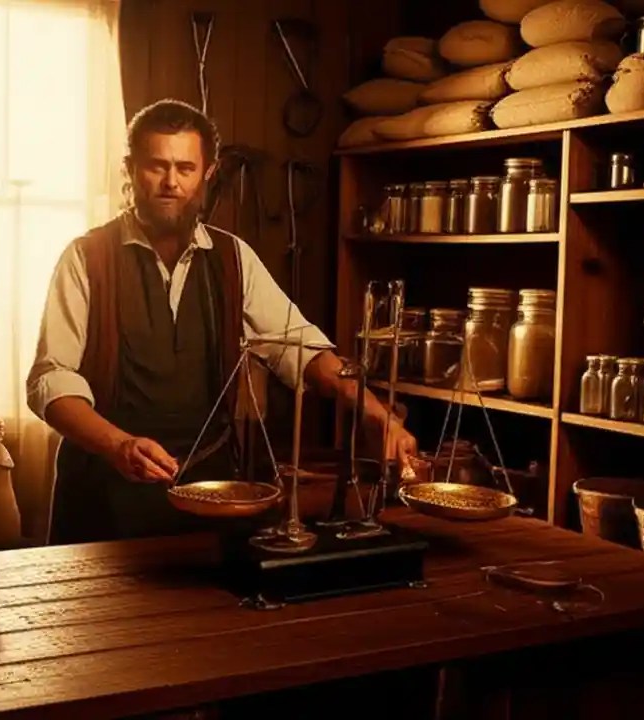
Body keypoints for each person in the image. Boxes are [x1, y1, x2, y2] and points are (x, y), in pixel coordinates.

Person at [27, 98, 417, 545]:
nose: (171, 182)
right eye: (156, 166)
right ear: (130, 169)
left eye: (185, 168)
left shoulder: (234, 258)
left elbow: (303, 350)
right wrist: (118, 445)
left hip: (207, 493)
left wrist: (379, 417)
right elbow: (50, 380)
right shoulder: (86, 257)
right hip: (103, 493)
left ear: (208, 174)